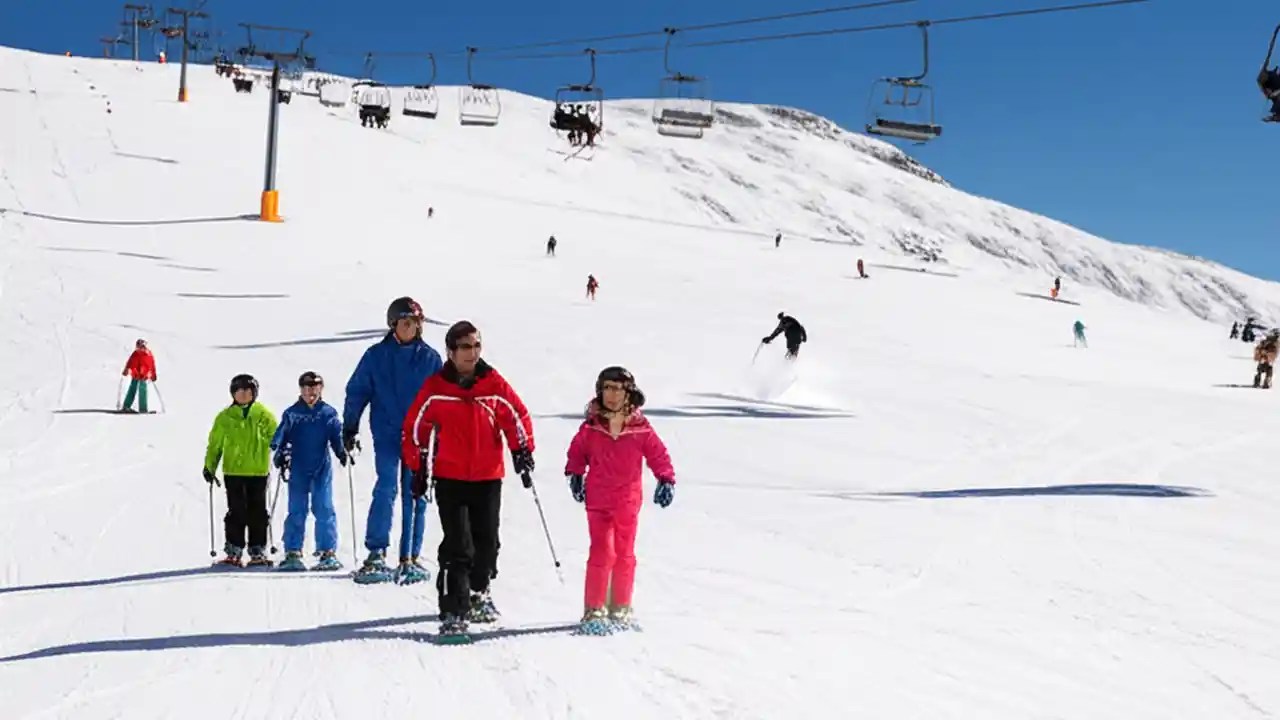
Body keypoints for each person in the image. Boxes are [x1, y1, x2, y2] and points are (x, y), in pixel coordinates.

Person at [402, 321, 535, 637]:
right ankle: (453, 610)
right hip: (450, 477)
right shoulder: (436, 387)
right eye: (465, 347)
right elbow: (415, 427)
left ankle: (478, 591)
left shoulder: (493, 383)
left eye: (476, 346)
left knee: (487, 544)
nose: (472, 353)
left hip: (488, 476)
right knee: (458, 545)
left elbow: (516, 416)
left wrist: (522, 451)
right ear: (450, 351)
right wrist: (417, 466)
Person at [564, 367, 675, 635]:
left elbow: (658, 454)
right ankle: (594, 609)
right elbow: (577, 451)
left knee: (625, 554)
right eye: (607, 388)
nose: (612, 395)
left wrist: (666, 478)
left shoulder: (640, 428)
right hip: (599, 499)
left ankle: (621, 607)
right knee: (602, 552)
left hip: (627, 500)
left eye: (618, 389)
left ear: (629, 393)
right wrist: (575, 474)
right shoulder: (591, 427)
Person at [343, 297, 444, 585]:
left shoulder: (430, 358)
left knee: (417, 491)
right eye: (405, 323)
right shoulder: (376, 355)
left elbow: (440, 399)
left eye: (416, 323)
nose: (411, 328)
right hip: (387, 432)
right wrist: (350, 425)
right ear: (394, 325)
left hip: (418, 436)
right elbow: (358, 390)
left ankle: (410, 555)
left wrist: (442, 434)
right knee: (386, 486)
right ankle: (376, 552)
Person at [271, 372, 348, 572]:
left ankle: (327, 551)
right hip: (298, 466)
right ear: (300, 390)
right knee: (297, 508)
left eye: (314, 388)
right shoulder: (293, 413)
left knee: (323, 506)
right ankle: (293, 551)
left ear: (321, 389)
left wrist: (342, 451)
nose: (310, 392)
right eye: (306, 388)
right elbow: (281, 434)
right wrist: (279, 451)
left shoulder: (328, 413)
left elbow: (336, 435)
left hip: (321, 467)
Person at [204, 374, 279, 567]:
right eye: (240, 391)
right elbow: (215, 445)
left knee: (258, 512)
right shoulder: (225, 418)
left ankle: (257, 550)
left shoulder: (263, 415)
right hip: (234, 472)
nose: (244, 395)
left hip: (258, 471)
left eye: (248, 391)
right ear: (233, 394)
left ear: (254, 393)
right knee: (236, 511)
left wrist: (283, 453)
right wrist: (210, 466)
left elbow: (276, 436)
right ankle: (233, 550)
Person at [120, 338, 157, 413]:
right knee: (132, 389)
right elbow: (130, 362)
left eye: (141, 347)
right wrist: (126, 369)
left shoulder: (149, 355)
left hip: (144, 375)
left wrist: (153, 374)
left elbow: (152, 365)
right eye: (138, 347)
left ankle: (143, 408)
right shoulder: (135, 354)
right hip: (136, 374)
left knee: (143, 391)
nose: (139, 349)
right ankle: (126, 406)